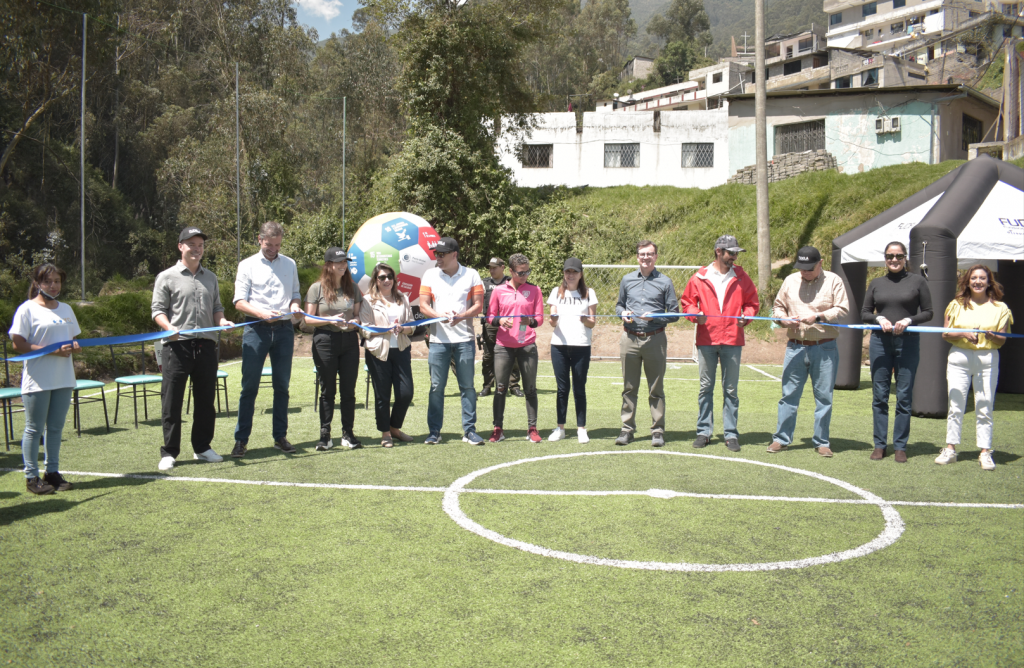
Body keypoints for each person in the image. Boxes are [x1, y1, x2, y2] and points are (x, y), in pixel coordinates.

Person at [152, 226, 235, 471]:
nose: (197, 249)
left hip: (206, 345)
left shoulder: (211, 277)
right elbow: (157, 310)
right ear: (181, 247)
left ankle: (202, 448)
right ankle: (170, 452)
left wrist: (222, 321)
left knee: (206, 400)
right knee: (172, 400)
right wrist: (168, 327)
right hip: (177, 347)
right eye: (192, 245)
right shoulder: (166, 276)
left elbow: (217, 307)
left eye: (200, 245)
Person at [767, 246, 849, 457]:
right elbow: (778, 307)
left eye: (809, 269)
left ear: (820, 263)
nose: (804, 272)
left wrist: (818, 317)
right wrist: (783, 319)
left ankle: (822, 441)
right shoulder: (790, 281)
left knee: (824, 397)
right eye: (801, 268)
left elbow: (842, 308)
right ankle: (781, 439)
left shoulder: (834, 281)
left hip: (825, 346)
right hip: (795, 346)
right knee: (788, 395)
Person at [680, 235, 759, 452]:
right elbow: (687, 303)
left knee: (731, 389)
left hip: (732, 340)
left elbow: (752, 303)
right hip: (707, 339)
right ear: (718, 251)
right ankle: (703, 432)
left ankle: (731, 434)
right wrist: (695, 315)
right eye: (731, 253)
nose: (734, 257)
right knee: (706, 387)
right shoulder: (700, 277)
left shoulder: (741, 276)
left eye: (736, 254)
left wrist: (747, 317)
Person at [231, 221, 303, 458]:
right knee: (249, 387)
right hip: (256, 329)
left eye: (278, 245)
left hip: (284, 330)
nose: (273, 249)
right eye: (269, 245)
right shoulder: (247, 265)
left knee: (282, 386)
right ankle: (241, 440)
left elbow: (295, 295)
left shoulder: (290, 263)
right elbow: (239, 301)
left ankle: (280, 437)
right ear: (259, 240)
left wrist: (295, 306)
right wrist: (261, 313)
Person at [9, 264, 80, 494]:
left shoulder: (66, 309)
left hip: (64, 378)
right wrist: (52, 351)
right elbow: (18, 344)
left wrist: (75, 347)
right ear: (38, 283)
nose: (53, 285)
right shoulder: (26, 309)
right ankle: (32, 477)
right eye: (48, 281)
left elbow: (72, 339)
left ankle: (52, 473)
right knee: (34, 429)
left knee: (56, 428)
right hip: (38, 379)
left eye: (57, 281)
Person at [861, 241, 933, 463]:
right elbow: (865, 312)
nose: (894, 260)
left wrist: (909, 320)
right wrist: (878, 318)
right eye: (890, 256)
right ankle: (880, 445)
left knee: (904, 395)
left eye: (899, 256)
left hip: (907, 342)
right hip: (880, 343)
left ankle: (900, 446)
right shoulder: (876, 283)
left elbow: (928, 312)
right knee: (879, 395)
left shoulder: (918, 281)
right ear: (885, 259)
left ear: (905, 258)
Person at [936, 265, 1013, 470]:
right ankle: (950, 449)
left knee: (985, 404)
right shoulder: (955, 305)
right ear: (967, 282)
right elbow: (945, 334)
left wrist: (992, 336)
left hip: (987, 358)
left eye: (982, 278)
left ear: (989, 282)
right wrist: (963, 333)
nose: (977, 281)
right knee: (955, 404)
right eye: (973, 278)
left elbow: (1002, 340)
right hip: (959, 357)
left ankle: (985, 452)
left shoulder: (1001, 308)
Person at [418, 237, 485, 445]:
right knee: (437, 387)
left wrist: (461, 316)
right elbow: (423, 305)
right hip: (438, 341)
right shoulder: (430, 274)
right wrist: (438, 315)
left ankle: (469, 431)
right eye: (436, 254)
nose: (437, 257)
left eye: (441, 254)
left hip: (465, 340)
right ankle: (434, 432)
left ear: (454, 255)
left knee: (467, 387)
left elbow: (479, 305)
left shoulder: (472, 274)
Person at [615, 241, 681, 447]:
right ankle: (627, 429)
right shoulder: (627, 280)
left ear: (656, 257)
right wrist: (622, 313)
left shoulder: (665, 282)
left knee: (656, 388)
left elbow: (674, 314)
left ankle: (657, 430)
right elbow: (619, 305)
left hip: (655, 339)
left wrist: (656, 317)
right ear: (637, 257)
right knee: (629, 387)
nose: (646, 257)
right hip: (630, 339)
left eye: (650, 254)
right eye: (642, 254)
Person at [304, 247, 364, 451]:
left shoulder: (352, 288)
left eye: (345, 262)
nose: (343, 265)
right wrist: (329, 320)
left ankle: (348, 434)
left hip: (349, 341)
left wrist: (354, 322)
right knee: (327, 390)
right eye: (339, 262)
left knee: (348, 391)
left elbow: (357, 316)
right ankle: (325, 435)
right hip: (325, 340)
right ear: (328, 265)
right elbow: (308, 319)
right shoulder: (316, 288)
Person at [487, 253, 544, 443]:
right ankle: (498, 429)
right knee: (500, 388)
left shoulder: (535, 290)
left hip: (527, 345)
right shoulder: (498, 291)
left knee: (530, 389)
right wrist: (499, 320)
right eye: (521, 272)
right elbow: (489, 316)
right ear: (511, 271)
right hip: (503, 347)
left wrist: (531, 321)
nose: (525, 275)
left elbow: (540, 318)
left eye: (527, 271)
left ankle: (532, 429)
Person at [359, 262, 416, 448]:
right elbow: (364, 329)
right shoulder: (368, 300)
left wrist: (403, 328)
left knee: (406, 393)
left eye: (389, 276)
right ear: (376, 280)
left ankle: (394, 428)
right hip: (378, 352)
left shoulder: (403, 298)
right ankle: (385, 433)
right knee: (382, 395)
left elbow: (412, 326)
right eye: (382, 277)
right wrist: (386, 329)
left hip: (401, 350)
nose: (386, 280)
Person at [547, 257, 597, 443]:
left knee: (579, 388)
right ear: (564, 273)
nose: (571, 275)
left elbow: (592, 323)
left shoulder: (589, 293)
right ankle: (560, 428)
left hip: (581, 345)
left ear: (580, 274)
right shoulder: (556, 292)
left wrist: (584, 318)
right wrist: (553, 318)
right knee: (562, 389)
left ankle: (581, 428)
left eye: (574, 272)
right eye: (568, 271)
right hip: (559, 346)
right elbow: (552, 322)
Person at [479, 257, 521, 398]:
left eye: (494, 267)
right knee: (488, 356)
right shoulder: (484, 283)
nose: (491, 270)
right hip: (490, 324)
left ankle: (514, 386)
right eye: (490, 268)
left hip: (509, 325)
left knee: (513, 355)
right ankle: (487, 386)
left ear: (503, 267)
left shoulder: (511, 282)